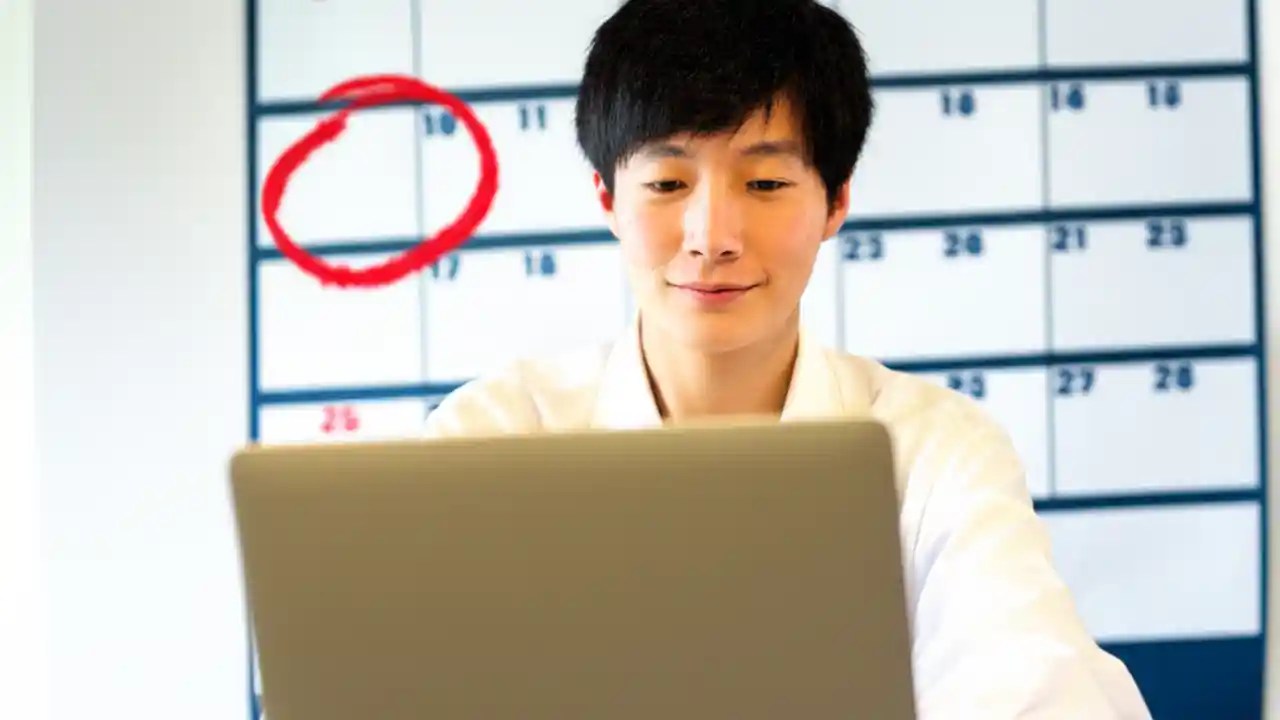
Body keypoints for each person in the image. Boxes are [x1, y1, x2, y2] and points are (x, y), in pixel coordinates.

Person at [425, 0, 1152, 716]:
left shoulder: (936, 455)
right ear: (608, 200)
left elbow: (1036, 683)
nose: (712, 236)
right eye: (667, 184)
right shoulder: (487, 438)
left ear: (835, 203)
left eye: (766, 182)